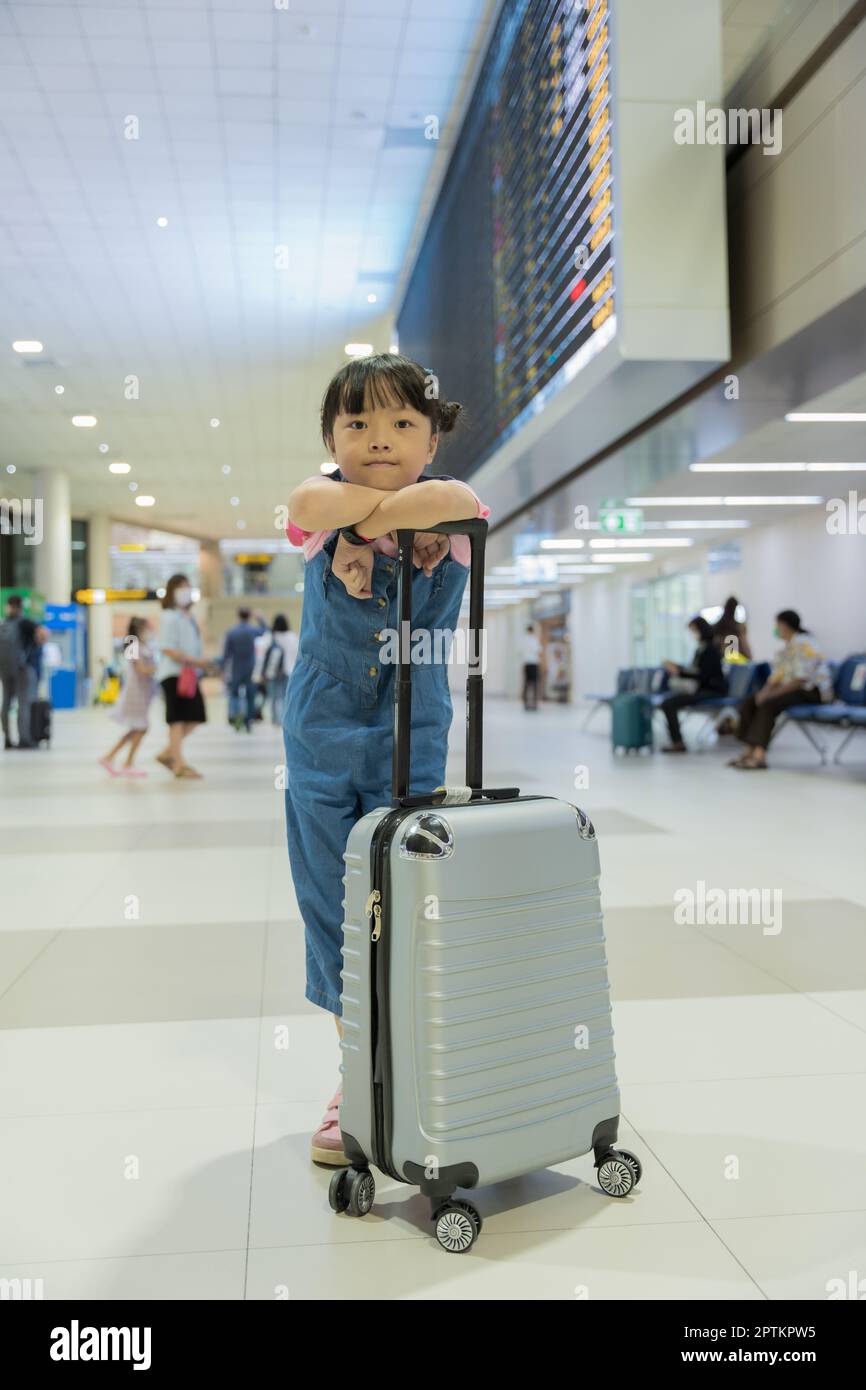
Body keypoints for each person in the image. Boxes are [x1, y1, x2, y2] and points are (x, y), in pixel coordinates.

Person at [283, 351, 490, 1165]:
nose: (379, 437)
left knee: (409, 899)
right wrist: (382, 519)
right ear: (332, 435)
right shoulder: (315, 504)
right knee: (332, 910)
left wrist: (364, 523)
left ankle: (416, 1066)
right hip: (320, 735)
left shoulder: (452, 503)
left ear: (432, 438)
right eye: (357, 423)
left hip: (415, 732)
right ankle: (355, 1076)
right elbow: (307, 500)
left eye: (404, 423)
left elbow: (450, 502)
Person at [730, 609, 833, 769]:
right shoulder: (786, 648)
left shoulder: (805, 644)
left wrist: (770, 695)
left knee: (768, 704)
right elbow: (777, 676)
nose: (776, 628)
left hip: (811, 691)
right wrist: (763, 692)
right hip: (792, 689)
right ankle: (748, 750)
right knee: (751, 701)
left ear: (785, 625)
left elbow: (800, 680)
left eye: (777, 624)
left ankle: (759, 755)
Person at [155, 574, 209, 779]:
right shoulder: (169, 616)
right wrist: (194, 661)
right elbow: (167, 647)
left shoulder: (189, 617)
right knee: (177, 720)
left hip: (188, 674)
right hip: (173, 673)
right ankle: (179, 764)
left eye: (188, 586)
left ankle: (168, 753)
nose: (186, 591)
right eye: (181, 587)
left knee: (195, 717)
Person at [99, 617, 157, 777]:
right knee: (141, 727)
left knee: (137, 727)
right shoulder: (134, 645)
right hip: (136, 692)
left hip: (142, 692)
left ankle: (110, 757)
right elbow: (141, 669)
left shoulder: (142, 645)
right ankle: (127, 762)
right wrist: (159, 668)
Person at [660, 615, 727, 752]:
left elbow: (703, 675)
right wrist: (679, 669)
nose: (692, 634)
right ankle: (676, 740)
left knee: (669, 703)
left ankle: (677, 742)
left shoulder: (710, 649)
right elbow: (695, 671)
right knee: (668, 701)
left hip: (711, 690)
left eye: (694, 630)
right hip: (702, 689)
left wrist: (679, 671)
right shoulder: (701, 649)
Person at [0, 594, 36, 750]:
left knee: (6, 703)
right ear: (21, 606)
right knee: (23, 704)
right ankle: (24, 739)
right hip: (22, 669)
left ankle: (7, 738)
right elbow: (43, 634)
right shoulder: (25, 622)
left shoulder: (3, 623)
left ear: (8, 606)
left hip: (4, 669)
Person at [220, 606, 260, 732]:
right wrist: (260, 618)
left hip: (236, 668)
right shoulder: (253, 631)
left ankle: (236, 720)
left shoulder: (232, 632)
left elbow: (226, 654)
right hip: (250, 667)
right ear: (249, 616)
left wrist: (222, 669)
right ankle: (248, 722)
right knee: (250, 695)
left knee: (234, 694)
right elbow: (266, 630)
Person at [254, 614, 298, 725]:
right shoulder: (292, 636)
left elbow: (262, 654)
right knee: (285, 697)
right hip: (288, 671)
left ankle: (274, 719)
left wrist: (259, 672)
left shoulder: (270, 636)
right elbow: (297, 654)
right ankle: (284, 719)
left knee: (273, 697)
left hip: (272, 672)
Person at [711, 596, 752, 661]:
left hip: (722, 659)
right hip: (737, 659)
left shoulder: (717, 626)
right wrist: (749, 658)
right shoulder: (739, 627)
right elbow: (744, 644)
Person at [521, 624, 542, 710]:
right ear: (533, 631)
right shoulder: (534, 639)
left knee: (526, 684)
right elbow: (538, 651)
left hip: (526, 663)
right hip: (533, 663)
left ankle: (526, 703)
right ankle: (534, 703)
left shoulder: (524, 640)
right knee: (534, 684)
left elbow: (520, 652)